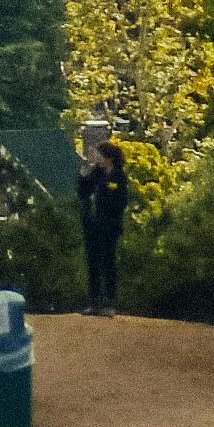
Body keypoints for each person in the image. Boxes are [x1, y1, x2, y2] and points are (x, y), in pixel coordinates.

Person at [76, 122, 131, 319]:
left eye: (99, 155)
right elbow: (82, 193)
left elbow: (120, 200)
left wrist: (106, 199)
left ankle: (109, 302)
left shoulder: (119, 177)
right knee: (93, 263)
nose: (96, 158)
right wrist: (84, 174)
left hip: (109, 227)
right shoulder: (96, 174)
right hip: (93, 225)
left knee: (108, 262)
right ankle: (94, 302)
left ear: (108, 157)